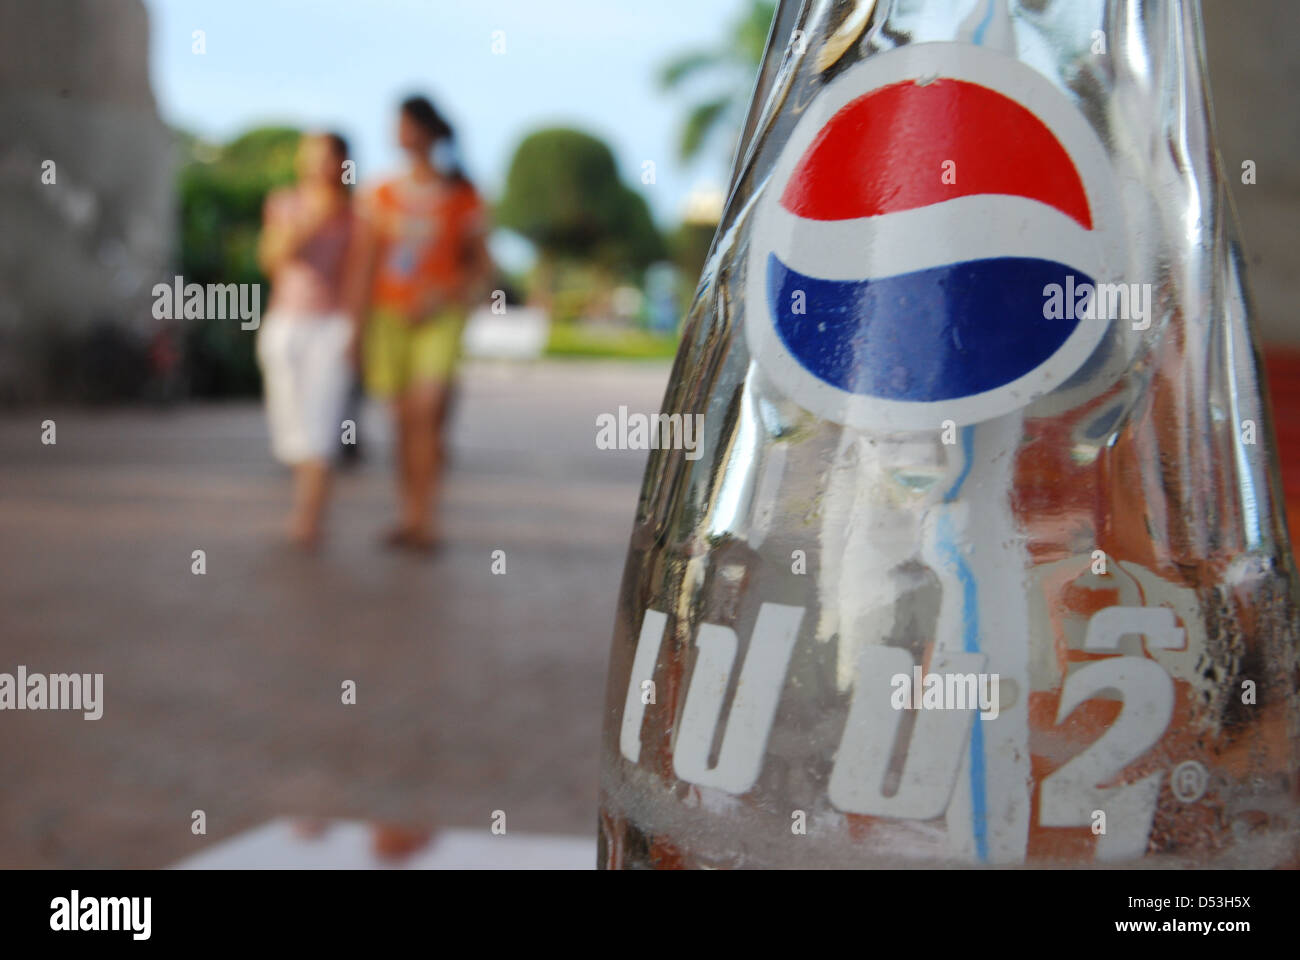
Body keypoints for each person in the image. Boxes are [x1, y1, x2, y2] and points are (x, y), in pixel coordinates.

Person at [346, 96, 491, 552]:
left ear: (428, 130)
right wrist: (355, 328)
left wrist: (444, 295)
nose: (400, 132)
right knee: (403, 421)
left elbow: (481, 265)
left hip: (439, 318)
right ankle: (408, 514)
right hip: (387, 318)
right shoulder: (378, 193)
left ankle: (427, 519)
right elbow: (363, 264)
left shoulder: (462, 195)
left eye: (407, 124)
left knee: (428, 412)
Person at [256, 131, 355, 549]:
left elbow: (357, 281)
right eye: (310, 156)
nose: (317, 164)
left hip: (329, 328)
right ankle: (307, 507)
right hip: (285, 326)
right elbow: (272, 259)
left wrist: (356, 336)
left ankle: (309, 518)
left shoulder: (357, 216)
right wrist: (311, 220)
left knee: (322, 426)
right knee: (292, 428)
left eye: (326, 157)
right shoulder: (285, 204)